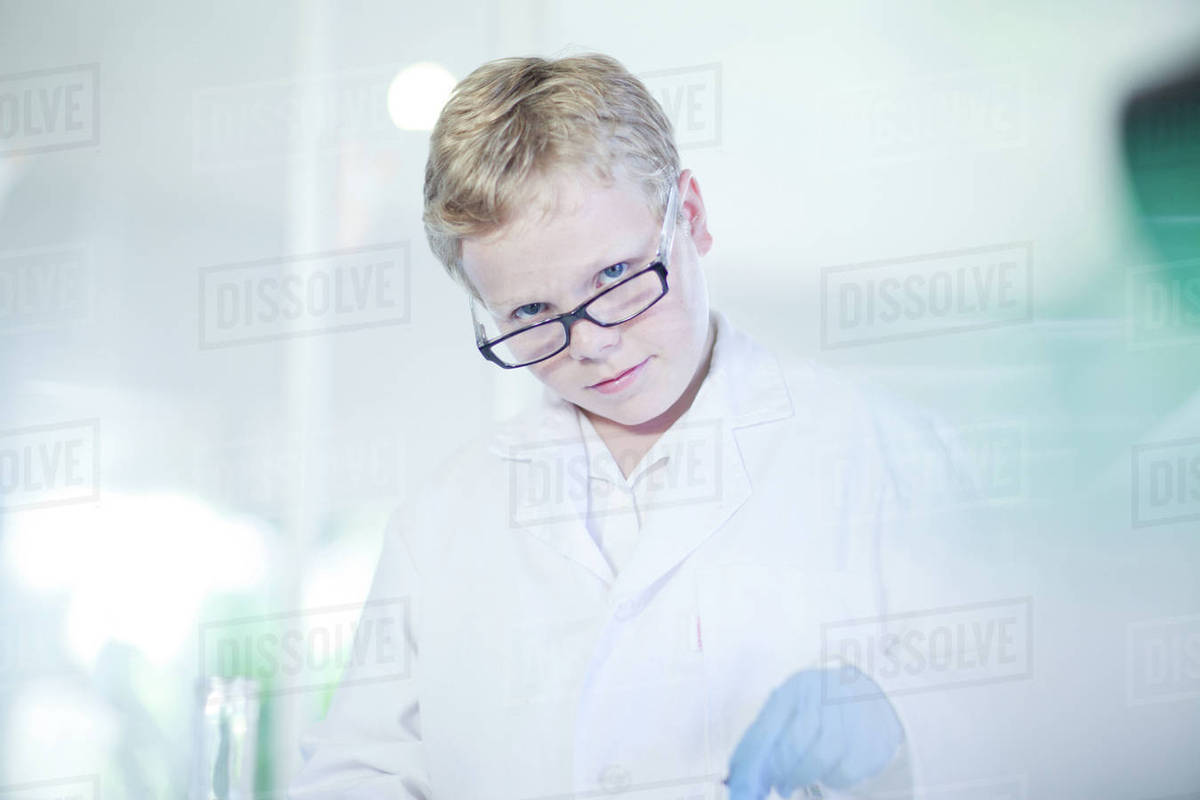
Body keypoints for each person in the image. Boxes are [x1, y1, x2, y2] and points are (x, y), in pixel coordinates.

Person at [290, 52, 970, 800]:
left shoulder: (878, 452)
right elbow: (360, 771)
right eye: (529, 314)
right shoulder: (444, 518)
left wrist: (904, 733)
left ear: (694, 218)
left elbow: (1021, 724)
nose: (590, 342)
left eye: (614, 277)